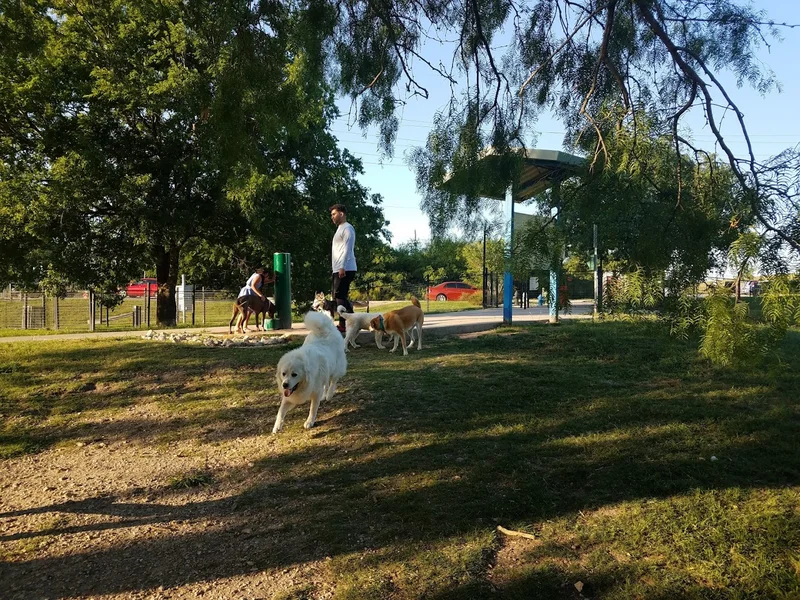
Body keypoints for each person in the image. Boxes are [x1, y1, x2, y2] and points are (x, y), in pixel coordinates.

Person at [330, 203, 357, 333]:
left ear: (341, 214)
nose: (332, 217)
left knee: (340, 296)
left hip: (345, 268)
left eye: (334, 214)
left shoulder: (347, 228)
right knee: (339, 296)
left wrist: (342, 267)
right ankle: (353, 321)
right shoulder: (339, 229)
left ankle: (344, 324)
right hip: (338, 268)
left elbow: (347, 248)